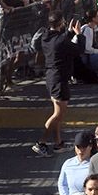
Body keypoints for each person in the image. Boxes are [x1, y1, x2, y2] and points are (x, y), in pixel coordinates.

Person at [33, 11, 84, 157]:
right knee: (58, 115)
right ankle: (41, 142)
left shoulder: (45, 37)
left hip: (51, 77)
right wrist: (79, 35)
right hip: (59, 79)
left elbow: (60, 40)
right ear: (61, 23)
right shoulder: (61, 41)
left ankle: (58, 143)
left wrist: (69, 32)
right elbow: (79, 50)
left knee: (58, 115)